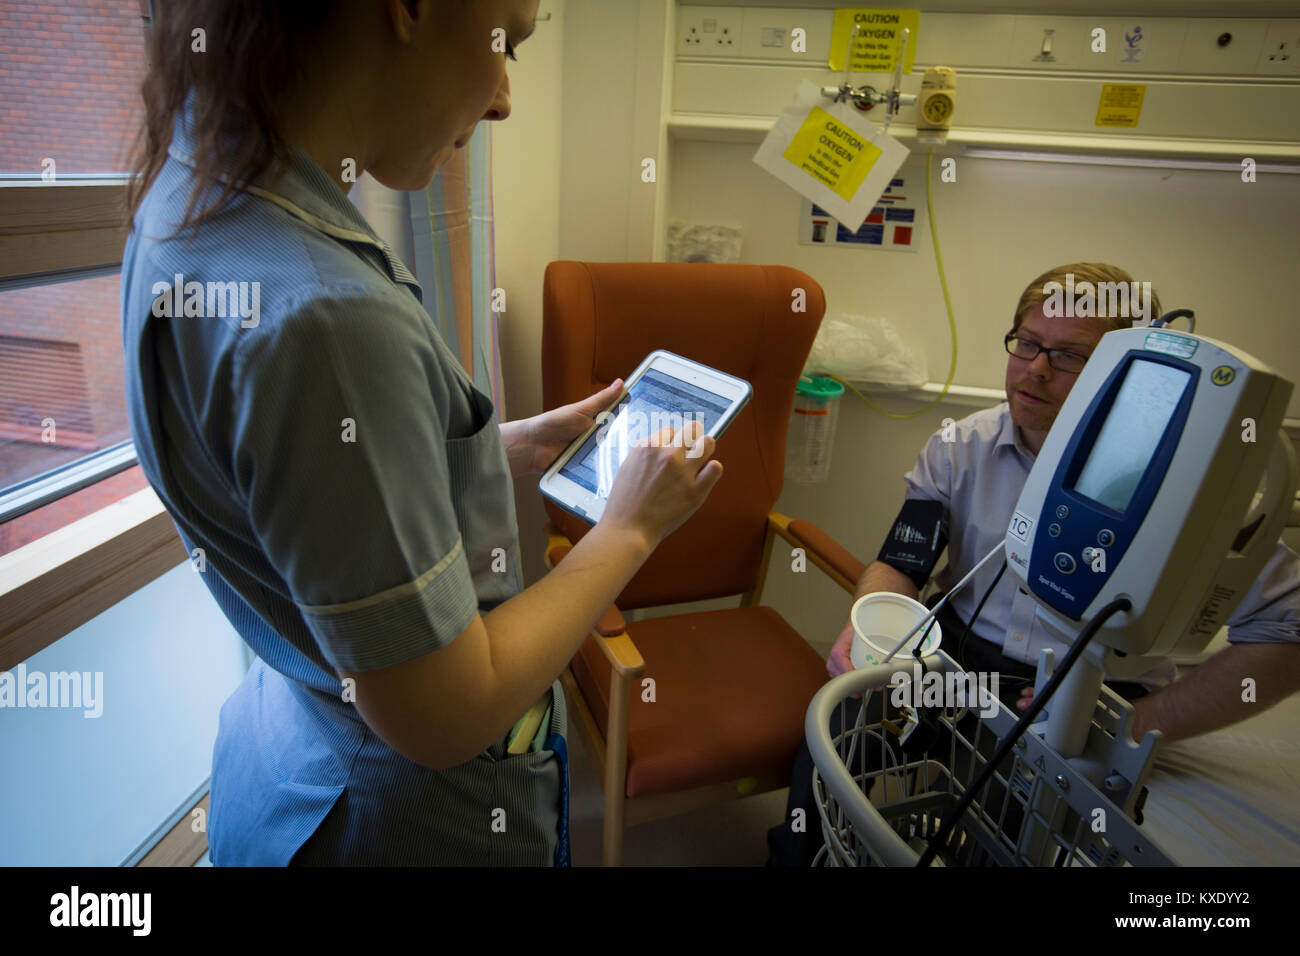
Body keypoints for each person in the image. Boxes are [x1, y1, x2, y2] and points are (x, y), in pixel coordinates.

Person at [121, 0, 723, 866]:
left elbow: (302, 486)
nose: (506, 98)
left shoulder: (194, 199)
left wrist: (494, 445)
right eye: (505, 43)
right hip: (403, 822)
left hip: (288, 762)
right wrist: (630, 529)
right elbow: (445, 712)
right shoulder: (329, 317)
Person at [768, 262, 1300, 866]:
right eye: (1027, 344)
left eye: (1070, 356)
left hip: (1097, 695)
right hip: (956, 665)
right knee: (828, 746)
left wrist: (1140, 724)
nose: (1035, 370)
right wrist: (865, 621)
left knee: (1012, 830)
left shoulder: (1192, 493)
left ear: (1126, 380)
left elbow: (1289, 633)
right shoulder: (959, 447)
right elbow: (902, 561)